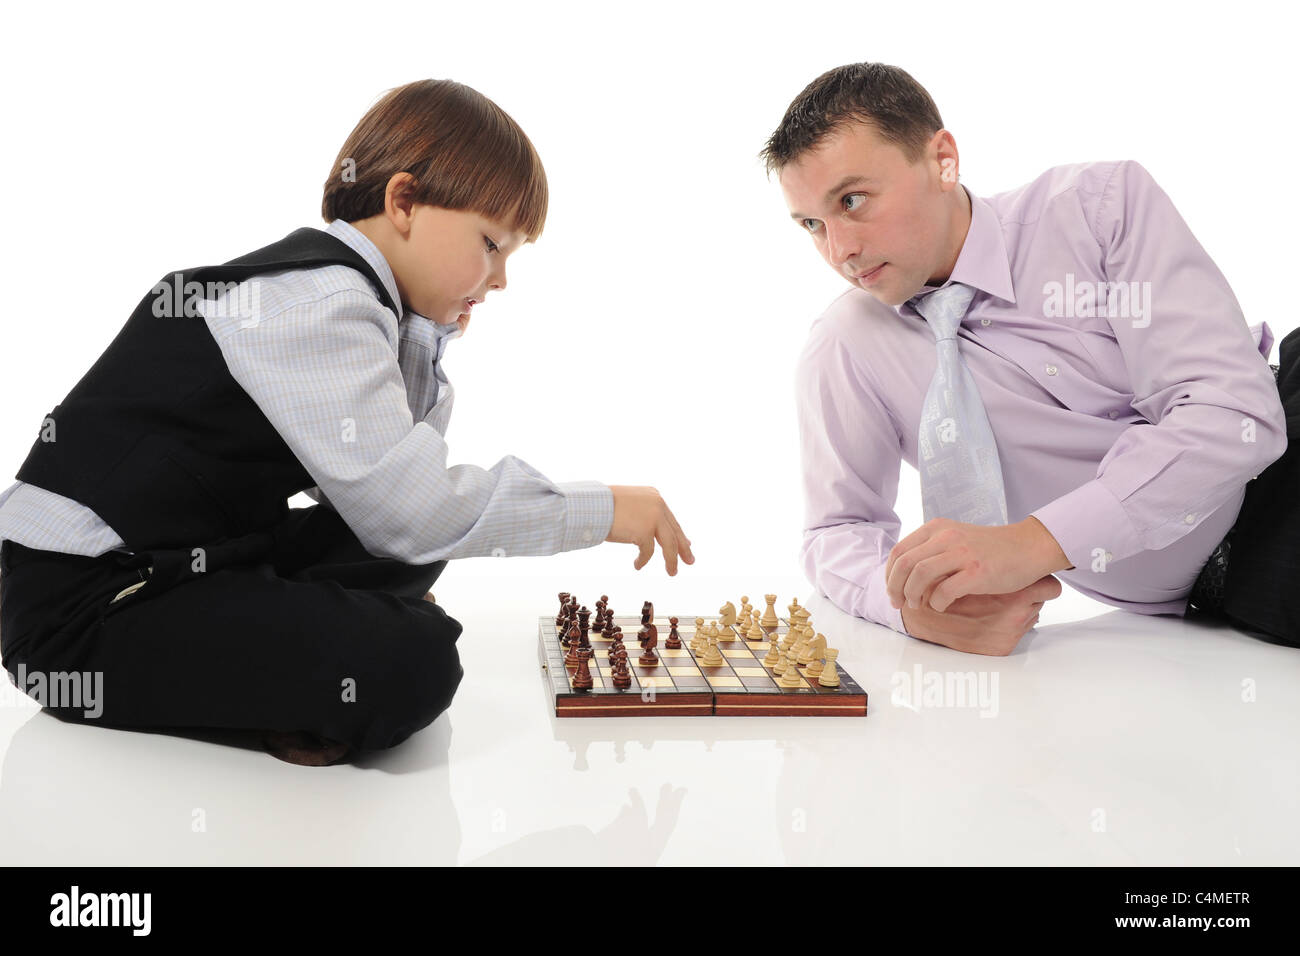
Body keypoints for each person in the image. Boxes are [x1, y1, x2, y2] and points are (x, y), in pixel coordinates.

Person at [0, 79, 693, 765]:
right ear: (404, 200)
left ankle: (277, 671)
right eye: (491, 244)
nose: (501, 278)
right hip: (78, 607)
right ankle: (290, 686)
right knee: (414, 661)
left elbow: (388, 491)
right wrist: (600, 509)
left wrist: (424, 333)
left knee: (410, 553)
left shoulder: (355, 295)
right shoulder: (322, 302)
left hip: (185, 555)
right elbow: (412, 511)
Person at [761, 62, 1289, 656]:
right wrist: (911, 610)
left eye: (852, 200)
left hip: (1281, 473)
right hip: (1220, 599)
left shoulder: (1097, 208)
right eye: (812, 224)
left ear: (943, 160)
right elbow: (837, 529)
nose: (840, 250)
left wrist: (1031, 544)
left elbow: (1232, 415)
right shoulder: (846, 345)